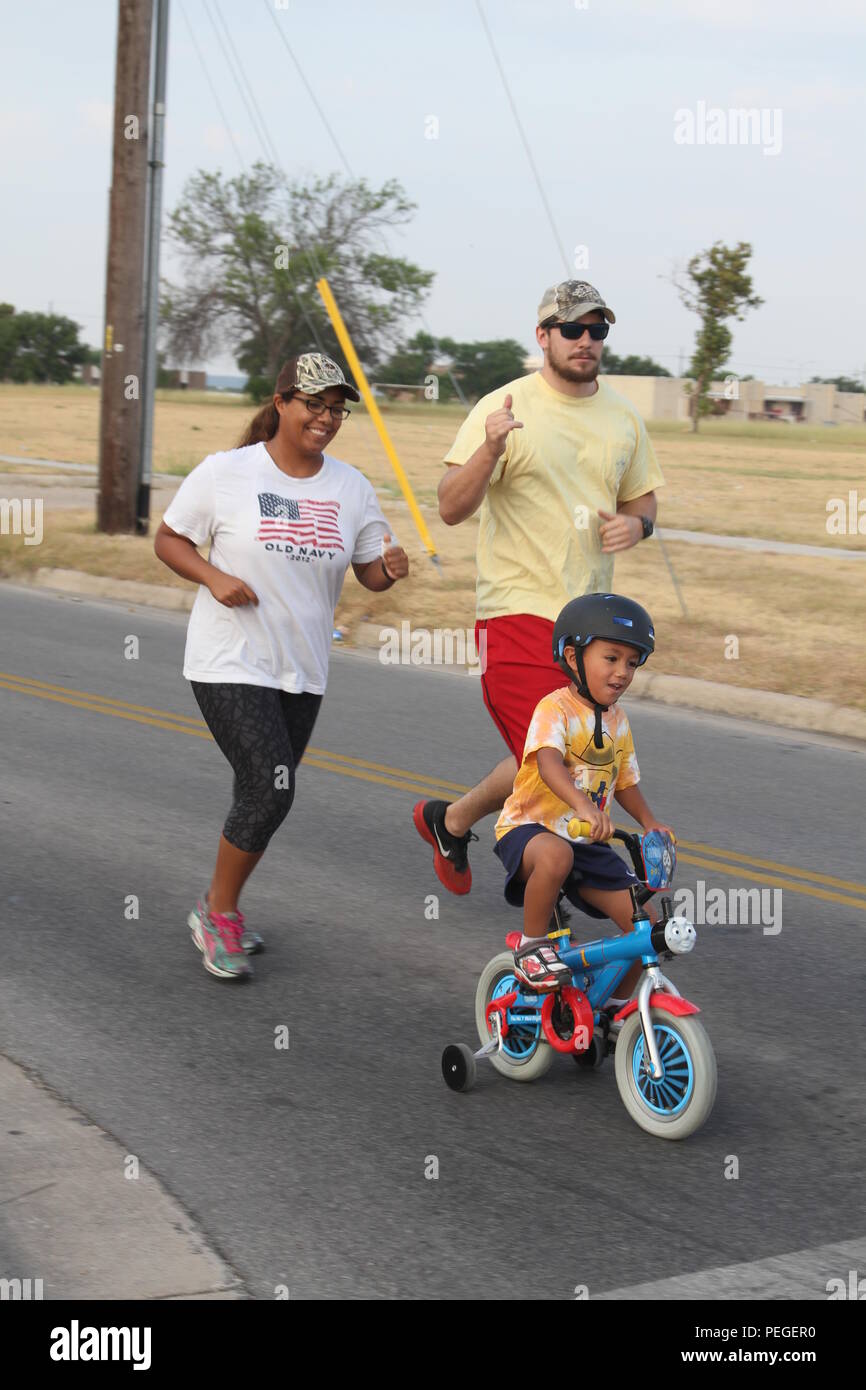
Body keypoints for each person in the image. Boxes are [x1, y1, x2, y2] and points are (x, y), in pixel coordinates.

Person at [154, 353, 408, 980]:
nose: (327, 417)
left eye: (336, 408)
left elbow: (369, 573)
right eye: (314, 404)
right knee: (271, 786)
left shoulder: (350, 487)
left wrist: (390, 571)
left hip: (303, 666)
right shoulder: (228, 473)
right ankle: (217, 914)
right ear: (282, 403)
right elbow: (169, 539)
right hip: (228, 658)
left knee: (267, 793)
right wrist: (213, 578)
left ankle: (222, 908)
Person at [413, 280, 664, 894]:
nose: (586, 341)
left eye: (597, 330)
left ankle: (452, 821)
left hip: (589, 622)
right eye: (573, 329)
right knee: (566, 768)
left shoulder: (623, 417)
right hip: (516, 614)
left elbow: (643, 498)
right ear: (544, 336)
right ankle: (548, 922)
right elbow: (449, 507)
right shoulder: (504, 407)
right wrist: (490, 448)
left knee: (557, 754)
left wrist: (638, 524)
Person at [492, 593, 674, 996]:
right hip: (530, 830)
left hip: (583, 839)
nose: (622, 672)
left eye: (631, 662)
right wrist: (583, 805)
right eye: (611, 658)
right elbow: (549, 764)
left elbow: (624, 780)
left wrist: (650, 823)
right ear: (573, 658)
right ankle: (531, 948)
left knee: (644, 928)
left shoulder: (619, 721)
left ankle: (608, 1010)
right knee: (557, 855)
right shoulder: (553, 709)